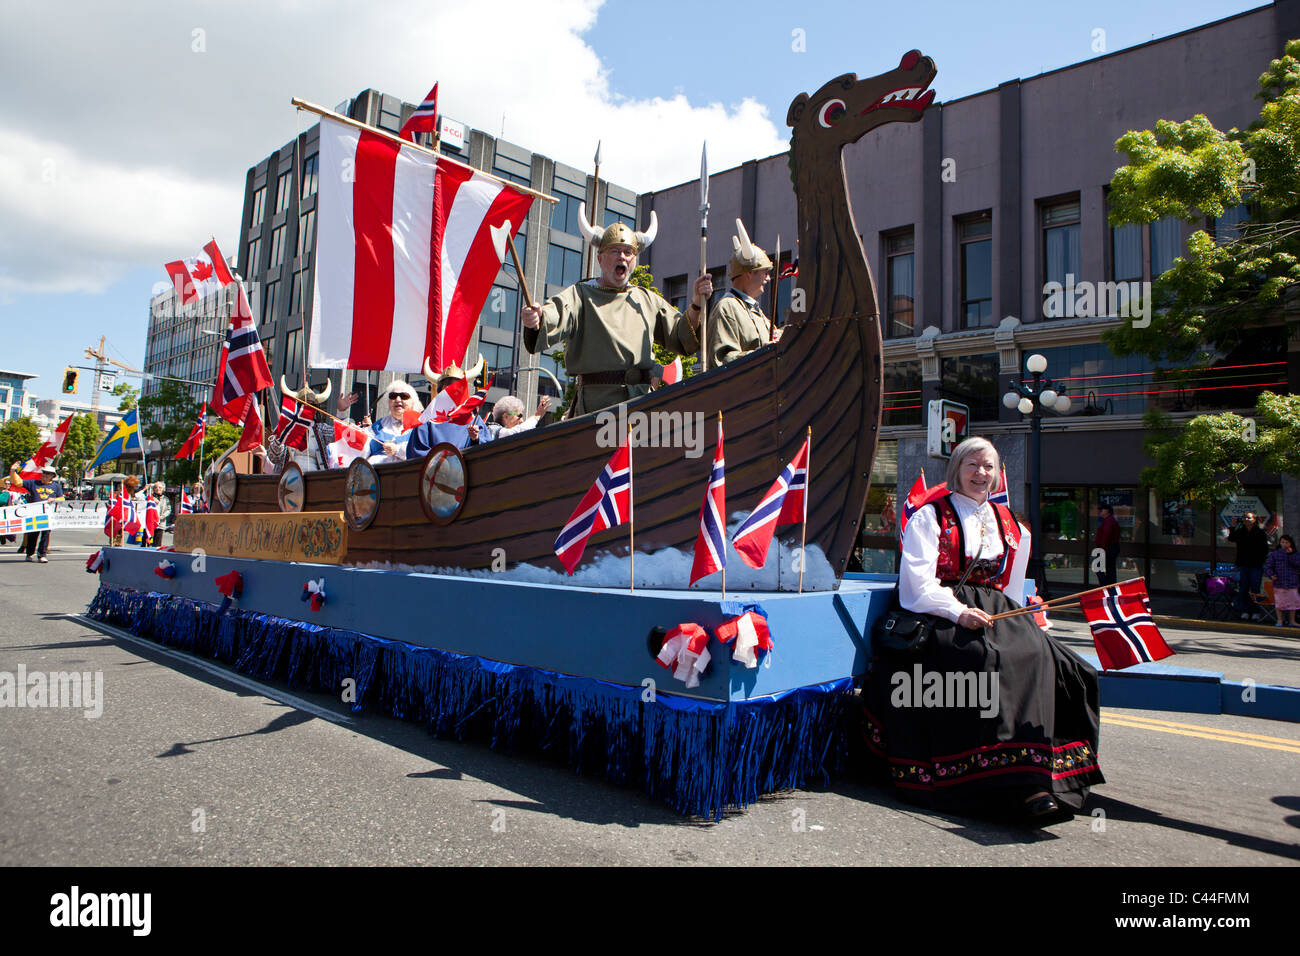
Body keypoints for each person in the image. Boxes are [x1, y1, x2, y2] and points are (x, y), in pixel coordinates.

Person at [863, 437, 1104, 821]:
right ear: (956, 469)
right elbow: (915, 588)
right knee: (983, 659)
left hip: (997, 610)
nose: (981, 473)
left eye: (988, 466)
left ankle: (1043, 775)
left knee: (1057, 662)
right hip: (939, 608)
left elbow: (1010, 587)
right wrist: (959, 613)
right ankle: (997, 781)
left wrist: (1019, 621)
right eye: (972, 465)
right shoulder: (930, 517)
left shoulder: (1013, 526)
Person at [521, 210, 712, 416]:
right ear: (600, 258)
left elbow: (681, 336)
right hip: (598, 405)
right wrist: (537, 319)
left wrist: (695, 304)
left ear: (634, 260)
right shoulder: (581, 294)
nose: (622, 256)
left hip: (641, 402)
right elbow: (555, 313)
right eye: (614, 251)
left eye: (628, 252)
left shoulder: (646, 299)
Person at [707, 219, 780, 367]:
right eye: (765, 272)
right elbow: (722, 360)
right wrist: (759, 354)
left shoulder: (758, 314)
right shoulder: (727, 308)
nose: (768, 278)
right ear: (749, 273)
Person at [367, 380, 423, 463]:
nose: (397, 399)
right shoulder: (378, 426)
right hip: (378, 473)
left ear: (413, 402)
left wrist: (397, 450)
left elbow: (422, 452)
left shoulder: (421, 426)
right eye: (393, 396)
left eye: (404, 396)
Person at [1228, 512, 1269, 620]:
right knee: (1243, 588)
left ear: (1254, 519)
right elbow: (1231, 538)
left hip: (1255, 565)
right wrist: (1233, 526)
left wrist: (1261, 560)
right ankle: (1245, 611)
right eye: (1245, 518)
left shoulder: (1259, 532)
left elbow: (1265, 549)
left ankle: (1256, 611)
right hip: (1242, 564)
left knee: (1255, 589)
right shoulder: (1241, 531)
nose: (1247, 519)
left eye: (1249, 518)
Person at [20, 464, 66, 563]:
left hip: (47, 514)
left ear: (52, 476)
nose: (45, 475)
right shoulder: (33, 483)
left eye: (48, 474)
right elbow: (18, 482)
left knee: (45, 534)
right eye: (44, 473)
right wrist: (12, 471)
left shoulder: (56, 486)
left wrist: (54, 499)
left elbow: (62, 498)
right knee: (32, 534)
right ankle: (30, 554)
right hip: (34, 513)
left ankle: (42, 554)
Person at [1263, 534, 1300, 627]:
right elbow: (1268, 566)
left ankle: (1292, 621)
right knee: (1280, 602)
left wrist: (1290, 554)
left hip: (1292, 582)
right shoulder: (1275, 554)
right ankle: (1280, 620)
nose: (1284, 544)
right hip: (1279, 582)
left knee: (1293, 602)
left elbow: (1297, 564)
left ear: (1290, 543)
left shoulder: (1295, 554)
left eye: (1286, 542)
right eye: (1282, 542)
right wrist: (1271, 575)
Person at [485, 395, 552, 440]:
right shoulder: (494, 430)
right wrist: (537, 416)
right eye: (519, 416)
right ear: (506, 417)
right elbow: (519, 430)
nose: (522, 421)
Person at [1095, 504, 1121, 586]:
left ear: (1107, 511)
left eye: (1102, 510)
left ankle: (1106, 586)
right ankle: (1109, 586)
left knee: (1099, 568)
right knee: (1109, 569)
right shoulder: (1108, 521)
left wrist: (1102, 548)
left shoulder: (1109, 521)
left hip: (1108, 548)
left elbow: (1106, 535)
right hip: (1109, 548)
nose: (1100, 512)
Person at [150, 481, 171, 547]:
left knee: (157, 543)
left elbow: (168, 509)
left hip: (160, 523)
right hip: (151, 522)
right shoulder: (150, 497)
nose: (157, 488)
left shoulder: (165, 499)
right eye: (155, 487)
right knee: (147, 541)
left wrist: (162, 516)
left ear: (163, 489)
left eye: (159, 487)